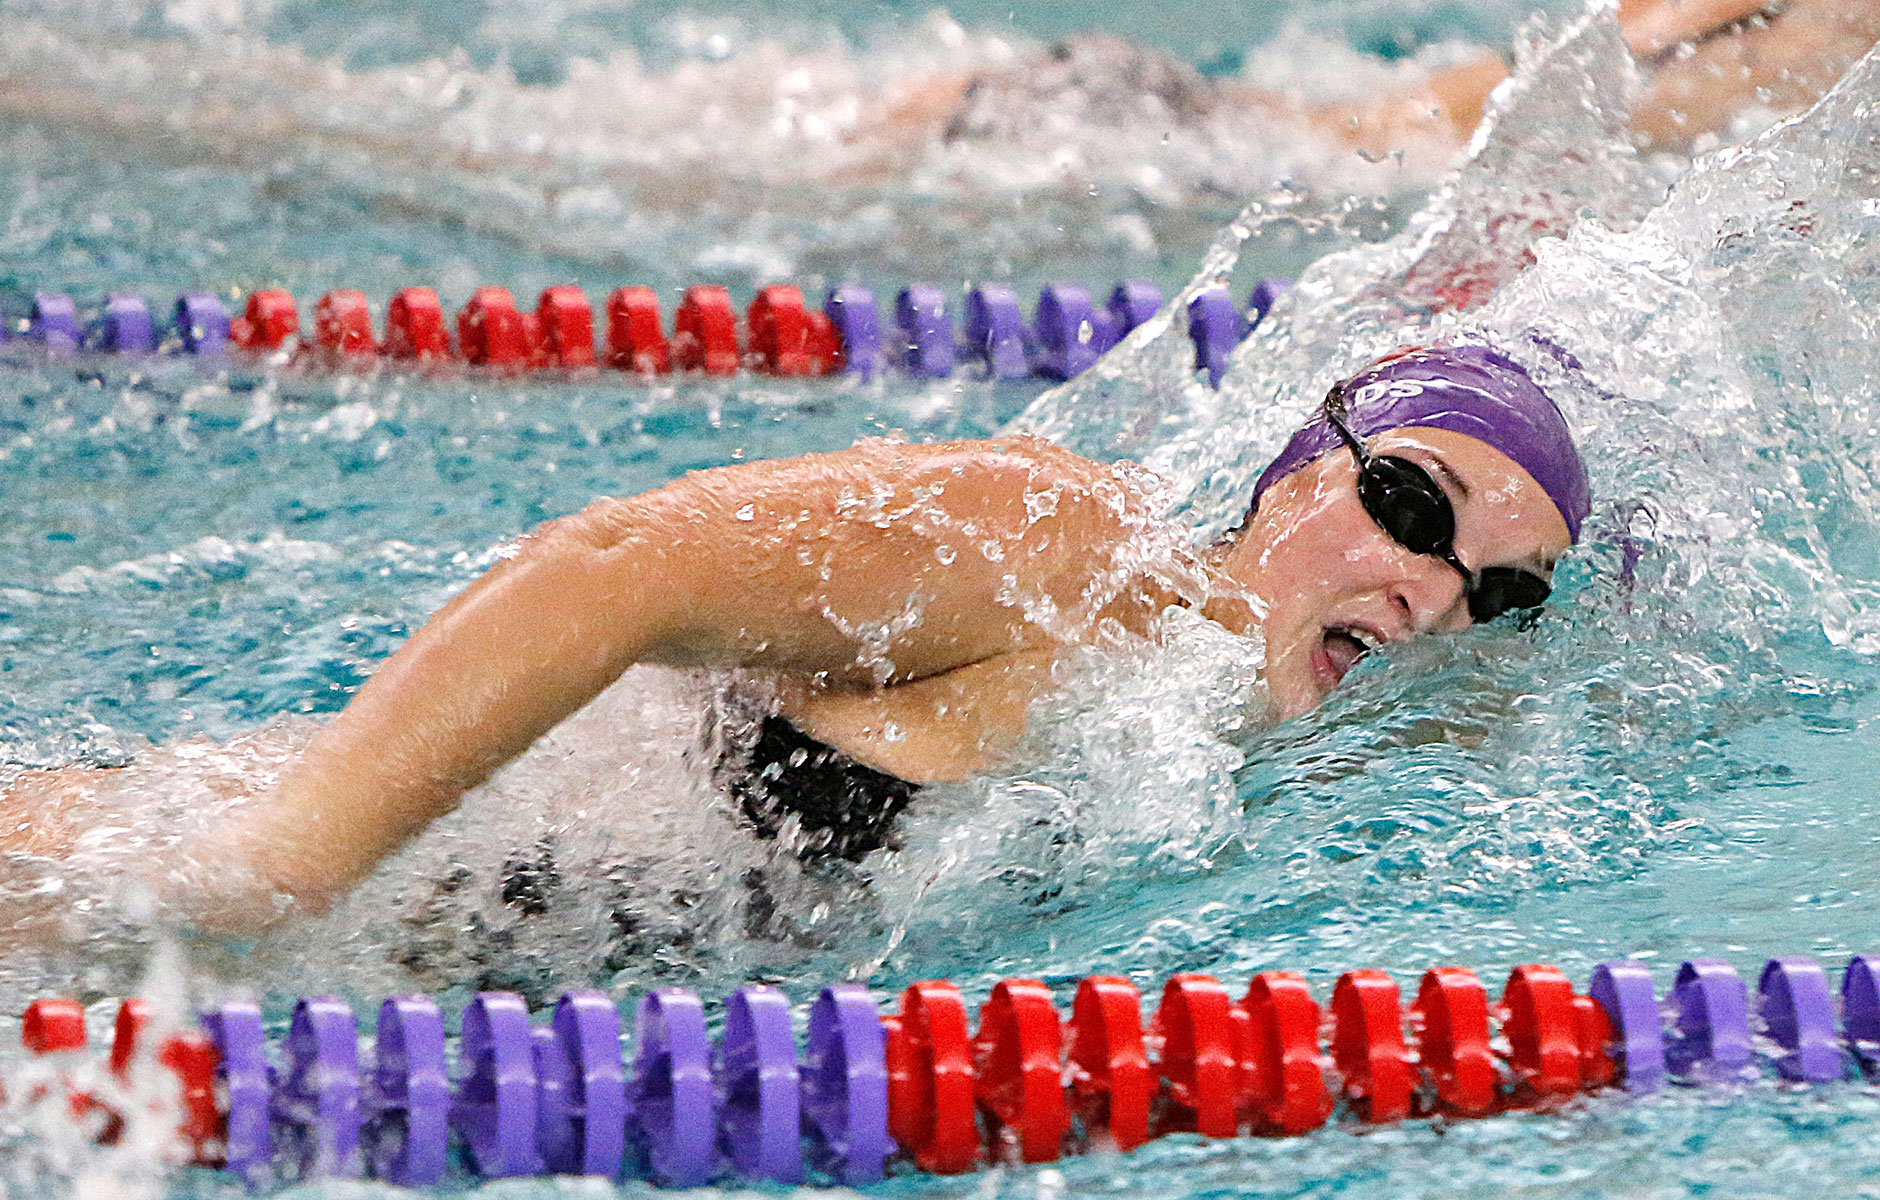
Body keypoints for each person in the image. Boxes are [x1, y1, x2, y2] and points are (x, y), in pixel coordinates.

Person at [2, 344, 1588, 932]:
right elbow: (615, 564)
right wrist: (290, 851)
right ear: (1301, 467)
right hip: (172, 886)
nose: (1435, 591)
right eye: (1411, 504)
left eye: (1499, 592)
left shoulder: (1236, 737)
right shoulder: (1066, 550)